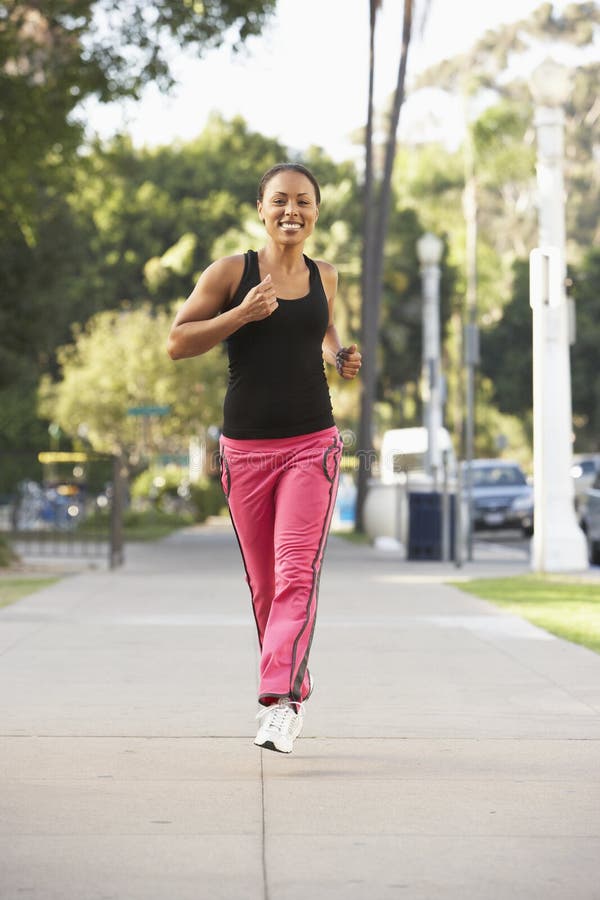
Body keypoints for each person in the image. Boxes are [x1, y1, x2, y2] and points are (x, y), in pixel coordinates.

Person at [167, 163, 361, 753]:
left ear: (316, 212)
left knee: (297, 571)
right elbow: (178, 342)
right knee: (267, 587)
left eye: (303, 202)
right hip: (245, 451)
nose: (291, 211)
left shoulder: (325, 275)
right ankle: (290, 686)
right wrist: (240, 315)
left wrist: (338, 356)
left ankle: (279, 701)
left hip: (311, 444)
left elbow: (324, 330)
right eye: (280, 201)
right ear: (260, 208)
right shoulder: (231, 272)